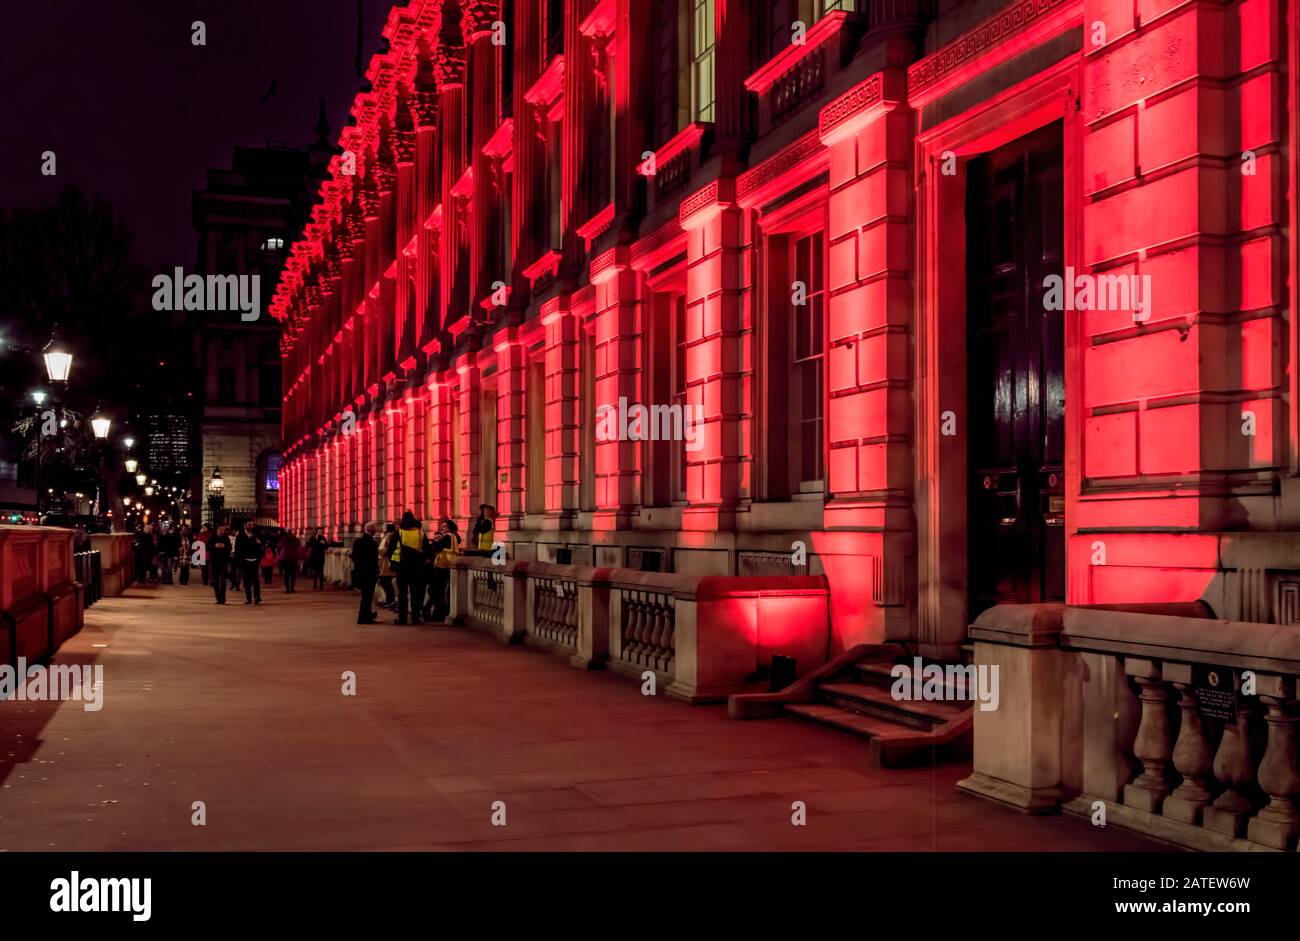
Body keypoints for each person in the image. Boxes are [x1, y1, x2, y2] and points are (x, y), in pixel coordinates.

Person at [391, 511, 425, 625]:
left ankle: (402, 618)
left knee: (402, 594)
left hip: (402, 566)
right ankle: (415, 618)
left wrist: (393, 563)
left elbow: (390, 549)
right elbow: (427, 550)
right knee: (415, 593)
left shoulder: (399, 533)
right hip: (416, 567)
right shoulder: (420, 533)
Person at [424, 518, 460, 623]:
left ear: (449, 527)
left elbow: (437, 547)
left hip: (442, 566)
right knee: (439, 591)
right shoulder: (455, 536)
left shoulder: (448, 536)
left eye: (444, 526)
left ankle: (439, 612)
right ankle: (436, 611)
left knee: (436, 591)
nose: (442, 528)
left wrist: (435, 542)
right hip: (448, 566)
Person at [350, 522, 380, 624]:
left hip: (360, 572)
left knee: (365, 596)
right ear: (371, 530)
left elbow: (354, 557)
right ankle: (364, 618)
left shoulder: (358, 542)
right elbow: (374, 560)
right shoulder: (372, 543)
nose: (375, 530)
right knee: (367, 597)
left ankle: (366, 616)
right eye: (374, 528)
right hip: (369, 573)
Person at [234, 521, 263, 605]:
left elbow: (261, 546)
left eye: (252, 525)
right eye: (249, 525)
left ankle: (257, 597)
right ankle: (249, 598)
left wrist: (259, 546)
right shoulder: (240, 535)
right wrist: (240, 560)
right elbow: (238, 548)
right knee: (247, 581)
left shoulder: (256, 534)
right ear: (245, 525)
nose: (251, 526)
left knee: (256, 580)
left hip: (255, 560)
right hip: (245, 561)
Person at [209, 524, 232, 604]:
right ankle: (218, 598)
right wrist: (214, 546)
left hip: (223, 561)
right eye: (220, 530)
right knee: (215, 581)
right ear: (217, 530)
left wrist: (224, 546)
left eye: (223, 530)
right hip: (215, 561)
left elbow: (230, 548)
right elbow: (207, 547)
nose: (222, 531)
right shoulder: (213, 537)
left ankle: (223, 598)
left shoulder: (226, 538)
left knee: (222, 581)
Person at [377, 524, 397, 609]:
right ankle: (389, 601)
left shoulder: (390, 536)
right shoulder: (386, 536)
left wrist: (382, 551)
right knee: (385, 582)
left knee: (385, 581)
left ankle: (391, 601)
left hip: (388, 562)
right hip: (384, 562)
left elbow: (389, 548)